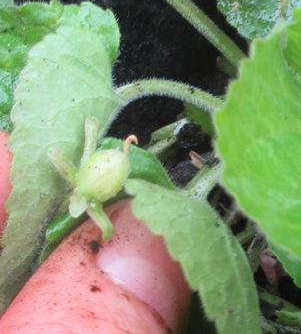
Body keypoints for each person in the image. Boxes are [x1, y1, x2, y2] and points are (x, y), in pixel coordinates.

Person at [0, 132, 191, 333]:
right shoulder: (92, 201)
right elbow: (106, 229)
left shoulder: (80, 185)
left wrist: (108, 237)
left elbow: (108, 229)